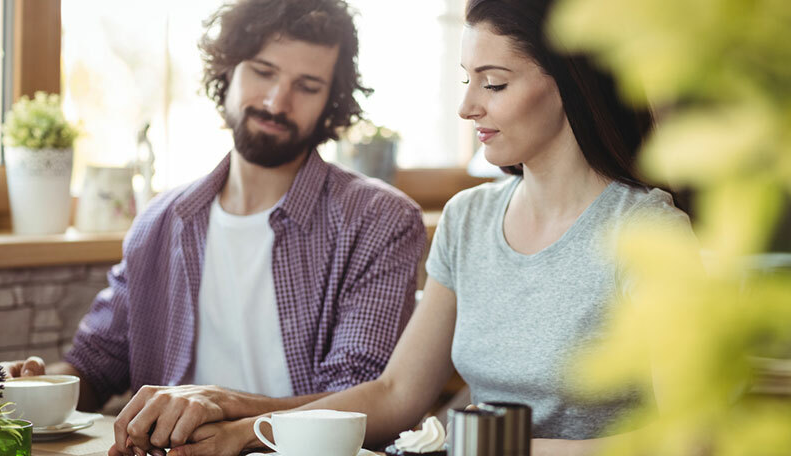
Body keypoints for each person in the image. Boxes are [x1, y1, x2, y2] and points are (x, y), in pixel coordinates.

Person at [169, 0, 696, 455]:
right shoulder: (468, 219)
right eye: (468, 81)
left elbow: (695, 437)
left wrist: (503, 449)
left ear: (570, 85)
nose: (468, 106)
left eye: (494, 83)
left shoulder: (649, 232)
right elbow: (397, 392)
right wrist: (251, 431)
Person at [0, 0, 426, 455]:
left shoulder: (380, 220)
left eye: (307, 86)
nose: (276, 101)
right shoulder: (159, 223)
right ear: (228, 70)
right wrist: (34, 385)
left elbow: (360, 402)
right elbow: (96, 363)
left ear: (330, 103)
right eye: (263, 71)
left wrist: (225, 410)